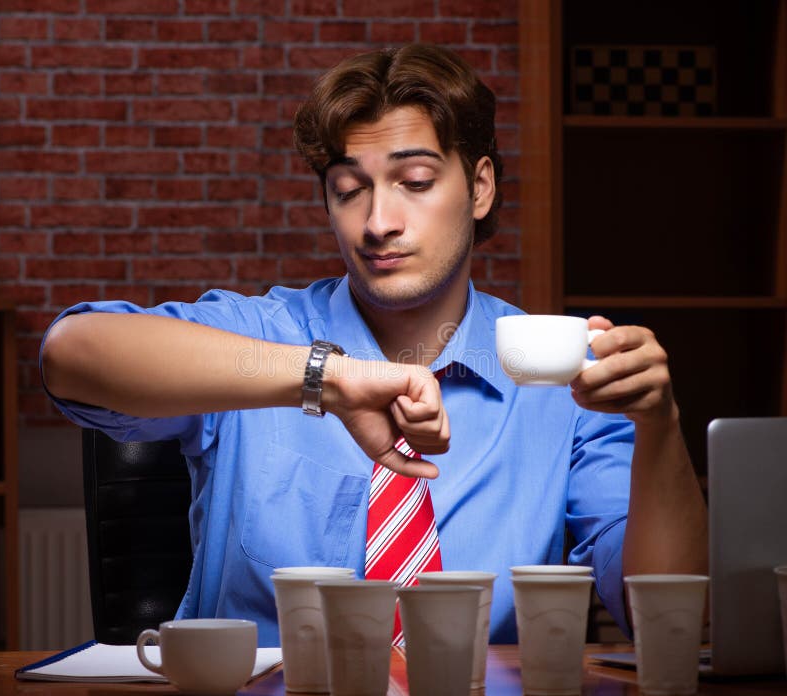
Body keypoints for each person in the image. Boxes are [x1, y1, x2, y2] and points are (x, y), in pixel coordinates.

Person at [40, 44, 707, 645]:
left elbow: (669, 620)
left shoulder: (563, 385)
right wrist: (322, 377)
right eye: (348, 191)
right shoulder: (261, 338)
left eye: (414, 183)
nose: (378, 222)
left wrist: (660, 422)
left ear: (479, 188)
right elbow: (68, 354)